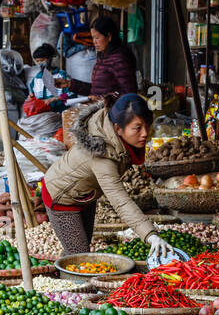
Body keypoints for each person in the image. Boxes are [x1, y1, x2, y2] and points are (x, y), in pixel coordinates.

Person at [42, 94, 178, 259]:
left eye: (147, 126)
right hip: (61, 196)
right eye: (137, 128)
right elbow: (120, 202)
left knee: (79, 249)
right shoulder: (101, 156)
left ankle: (65, 276)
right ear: (118, 128)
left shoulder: (114, 134)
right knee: (78, 255)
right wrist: (150, 235)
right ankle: (68, 282)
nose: (144, 133)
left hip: (84, 194)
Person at [87, 16, 138, 100]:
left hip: (113, 111)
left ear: (109, 37)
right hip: (101, 108)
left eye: (97, 38)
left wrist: (101, 99)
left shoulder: (120, 59)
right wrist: (70, 84)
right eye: (93, 38)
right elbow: (97, 89)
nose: (94, 42)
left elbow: (129, 93)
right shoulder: (104, 56)